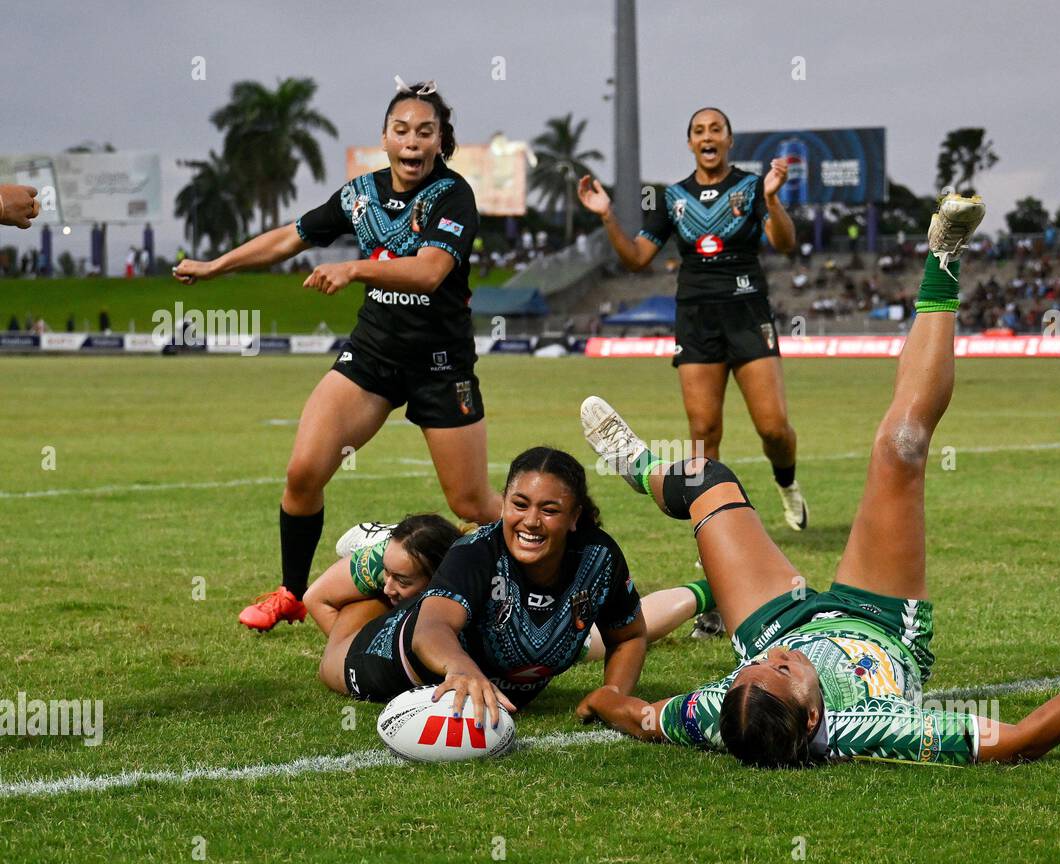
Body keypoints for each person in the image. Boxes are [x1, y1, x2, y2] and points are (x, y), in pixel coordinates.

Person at [576, 194, 1060, 767]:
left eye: (750, 672)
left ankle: (638, 467)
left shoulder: (723, 709)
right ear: (815, 720)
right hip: (879, 620)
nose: (775, 663)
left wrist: (605, 703)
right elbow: (1022, 740)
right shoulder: (870, 724)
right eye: (784, 673)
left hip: (773, 615)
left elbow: (640, 714)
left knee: (708, 478)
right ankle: (944, 258)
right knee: (902, 447)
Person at [174, 77, 501, 631]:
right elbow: (289, 237)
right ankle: (291, 593)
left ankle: (571, 573)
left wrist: (353, 267)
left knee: (471, 504)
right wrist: (214, 266)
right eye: (402, 131)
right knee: (304, 472)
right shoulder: (360, 195)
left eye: (426, 132)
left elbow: (428, 271)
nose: (413, 142)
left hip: (441, 365)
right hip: (372, 356)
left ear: (442, 141)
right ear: (385, 138)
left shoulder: (453, 195)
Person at [577, 107, 809, 532]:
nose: (708, 136)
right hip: (696, 318)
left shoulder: (752, 187)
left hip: (747, 312)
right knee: (704, 431)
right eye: (699, 131)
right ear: (689, 143)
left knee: (774, 429)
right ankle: (715, 527)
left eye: (716, 129)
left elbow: (785, 242)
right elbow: (635, 259)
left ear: (728, 140)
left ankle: (788, 484)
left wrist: (773, 199)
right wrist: (607, 215)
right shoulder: (672, 198)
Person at [329, 448, 665, 728]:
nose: (531, 521)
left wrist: (614, 691)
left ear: (575, 516)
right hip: (392, 653)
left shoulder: (599, 559)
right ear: (503, 504)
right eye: (520, 505)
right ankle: (378, 563)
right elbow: (431, 628)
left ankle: (396, 569)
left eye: (549, 510)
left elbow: (629, 636)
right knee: (332, 658)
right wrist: (460, 668)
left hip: (479, 661)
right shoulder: (476, 552)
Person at [310, 512, 720, 692]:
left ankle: (710, 588)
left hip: (471, 613)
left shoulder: (477, 572)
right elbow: (318, 599)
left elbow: (629, 631)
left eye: (402, 579)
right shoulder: (374, 568)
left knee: (595, 639)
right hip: (390, 625)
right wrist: (379, 621)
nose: (389, 584)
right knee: (381, 604)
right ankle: (379, 537)